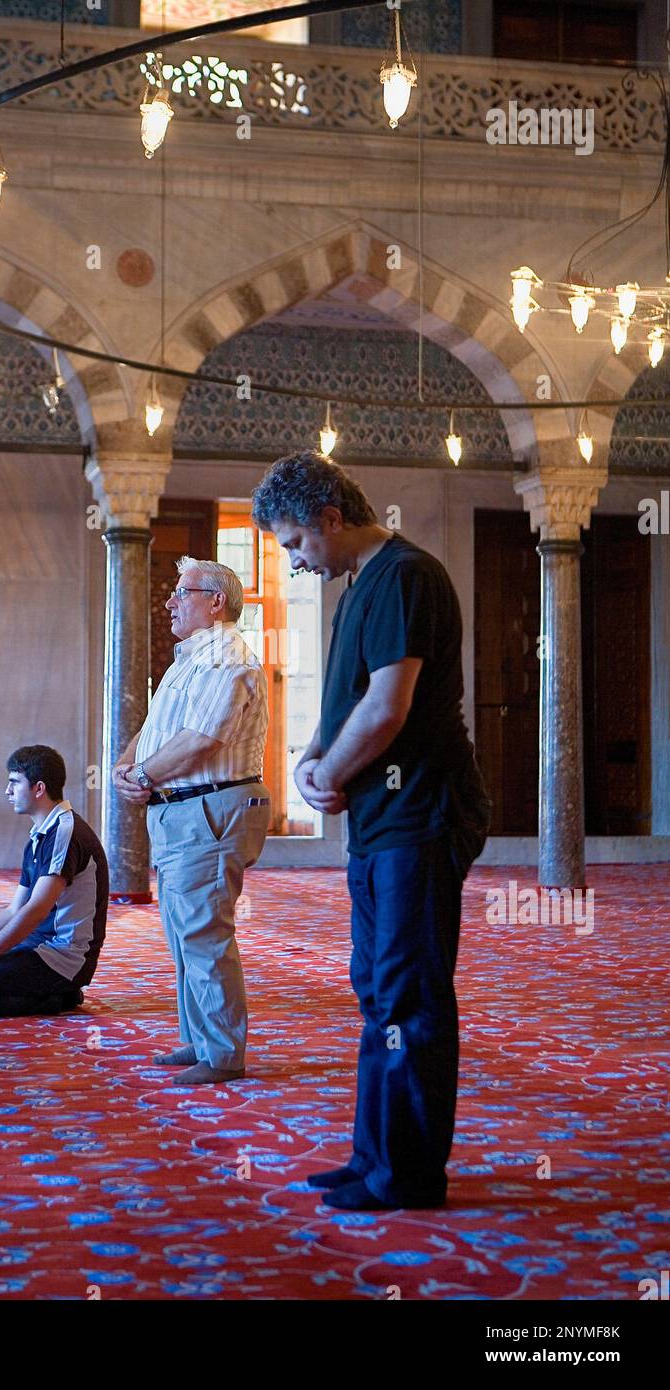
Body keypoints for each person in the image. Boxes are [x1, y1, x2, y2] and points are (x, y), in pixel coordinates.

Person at [252, 451, 491, 1211]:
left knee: (409, 996)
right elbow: (349, 707)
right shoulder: (358, 587)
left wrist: (326, 775)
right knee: (376, 992)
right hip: (382, 822)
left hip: (420, 815)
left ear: (330, 518)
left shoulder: (405, 577)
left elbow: (389, 707)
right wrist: (315, 759)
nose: (294, 560)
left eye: (295, 543)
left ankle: (409, 1175)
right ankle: (373, 1156)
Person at [113, 557, 270, 1086]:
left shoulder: (226, 657)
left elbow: (203, 740)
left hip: (211, 806)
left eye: (182, 592)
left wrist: (140, 773)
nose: (170, 601)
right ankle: (200, 1040)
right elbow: (157, 726)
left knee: (203, 932)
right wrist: (127, 767)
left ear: (216, 601)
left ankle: (223, 1054)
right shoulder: (189, 661)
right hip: (184, 809)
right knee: (184, 935)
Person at [0, 745, 108, 1017]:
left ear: (39, 788)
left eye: (14, 782)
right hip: (37, 945)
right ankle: (51, 991)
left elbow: (36, 909)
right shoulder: (40, 832)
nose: (7, 791)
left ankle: (61, 997)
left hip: (65, 957)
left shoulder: (64, 832)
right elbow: (15, 909)